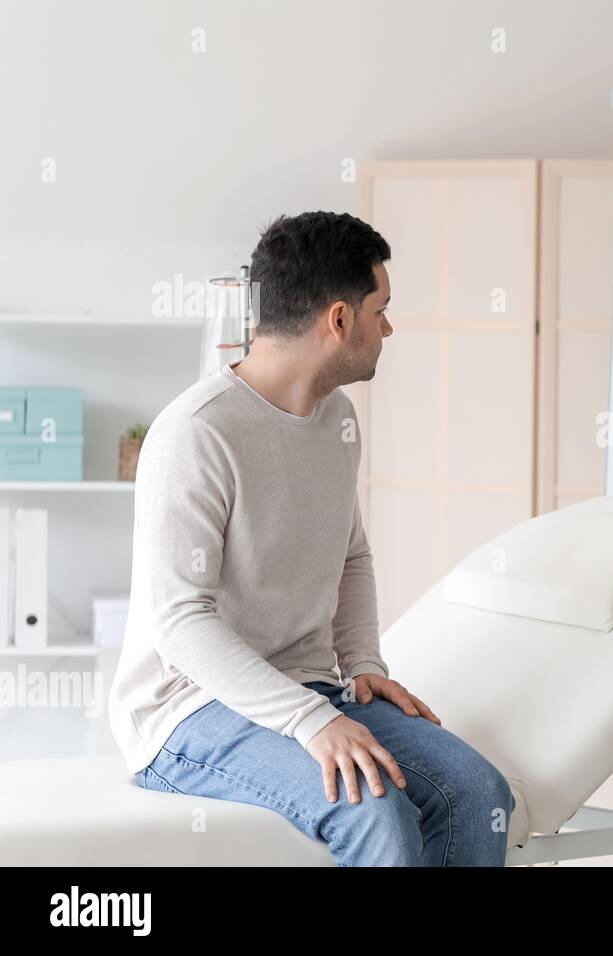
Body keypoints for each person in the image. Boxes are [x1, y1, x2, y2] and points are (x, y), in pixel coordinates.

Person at [109, 211, 515, 866]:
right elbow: (180, 622)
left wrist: (361, 667)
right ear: (338, 320)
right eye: (380, 311)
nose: (388, 328)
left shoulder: (336, 420)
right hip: (188, 712)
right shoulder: (197, 433)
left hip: (307, 689)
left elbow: (350, 554)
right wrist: (311, 722)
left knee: (474, 789)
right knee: (372, 807)